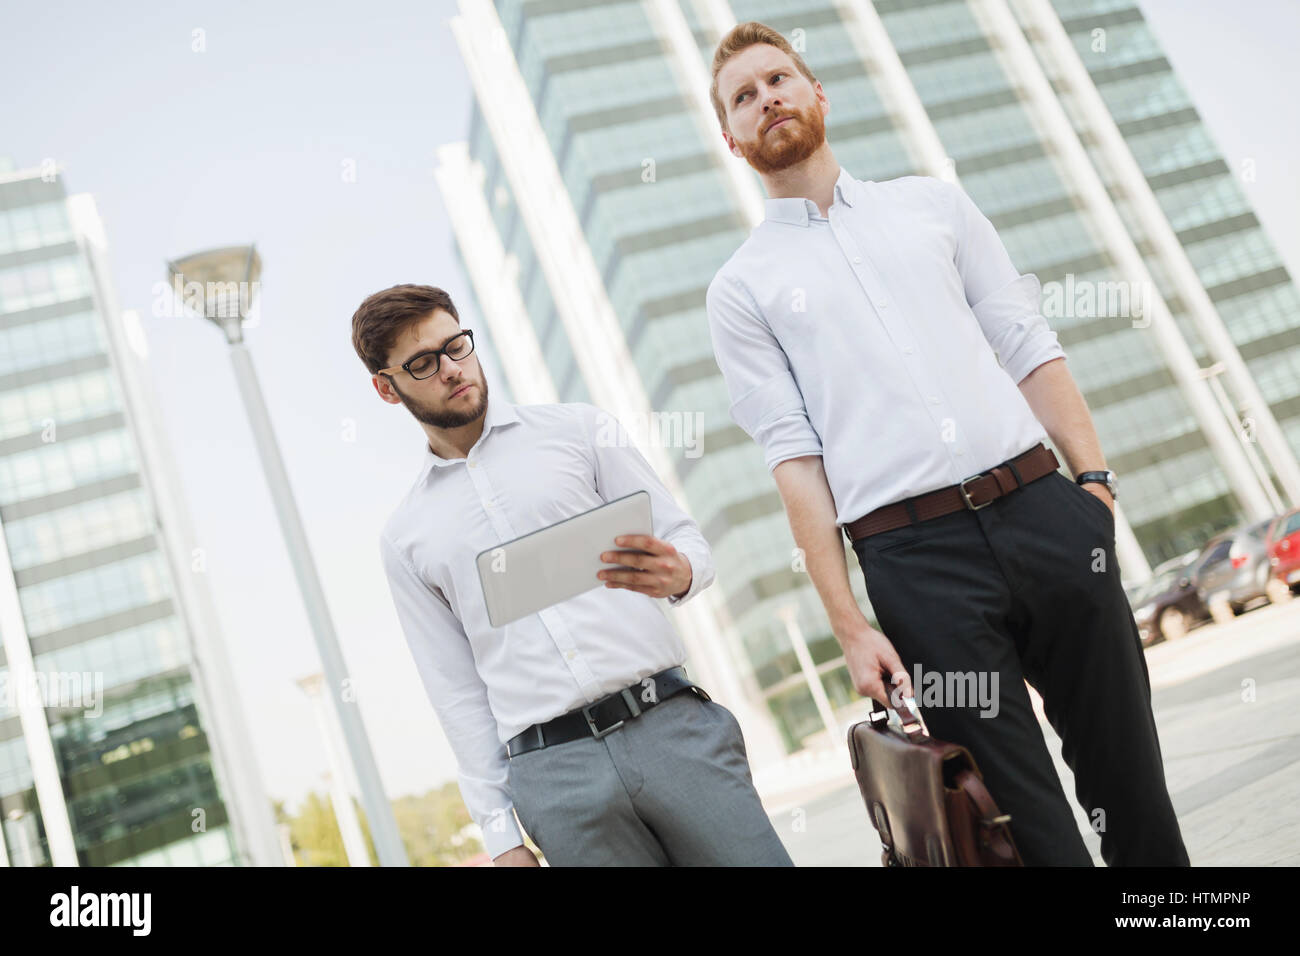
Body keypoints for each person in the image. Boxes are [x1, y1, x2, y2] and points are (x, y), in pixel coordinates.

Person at [703, 21, 1189, 866]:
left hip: (1046, 513)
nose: (766, 98)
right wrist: (850, 624)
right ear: (731, 137)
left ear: (817, 93)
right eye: (743, 96)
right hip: (916, 564)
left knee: (1134, 792)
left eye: (778, 79)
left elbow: (1030, 347)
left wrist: (1094, 490)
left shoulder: (933, 204)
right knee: (1023, 830)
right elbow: (795, 460)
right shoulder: (740, 289)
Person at [353, 283, 793, 867]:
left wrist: (680, 570)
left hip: (671, 728)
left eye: (456, 346)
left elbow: (686, 538)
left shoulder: (579, 431)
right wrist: (500, 835)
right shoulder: (406, 535)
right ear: (387, 388)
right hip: (554, 778)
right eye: (423, 363)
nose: (452, 370)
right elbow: (455, 691)